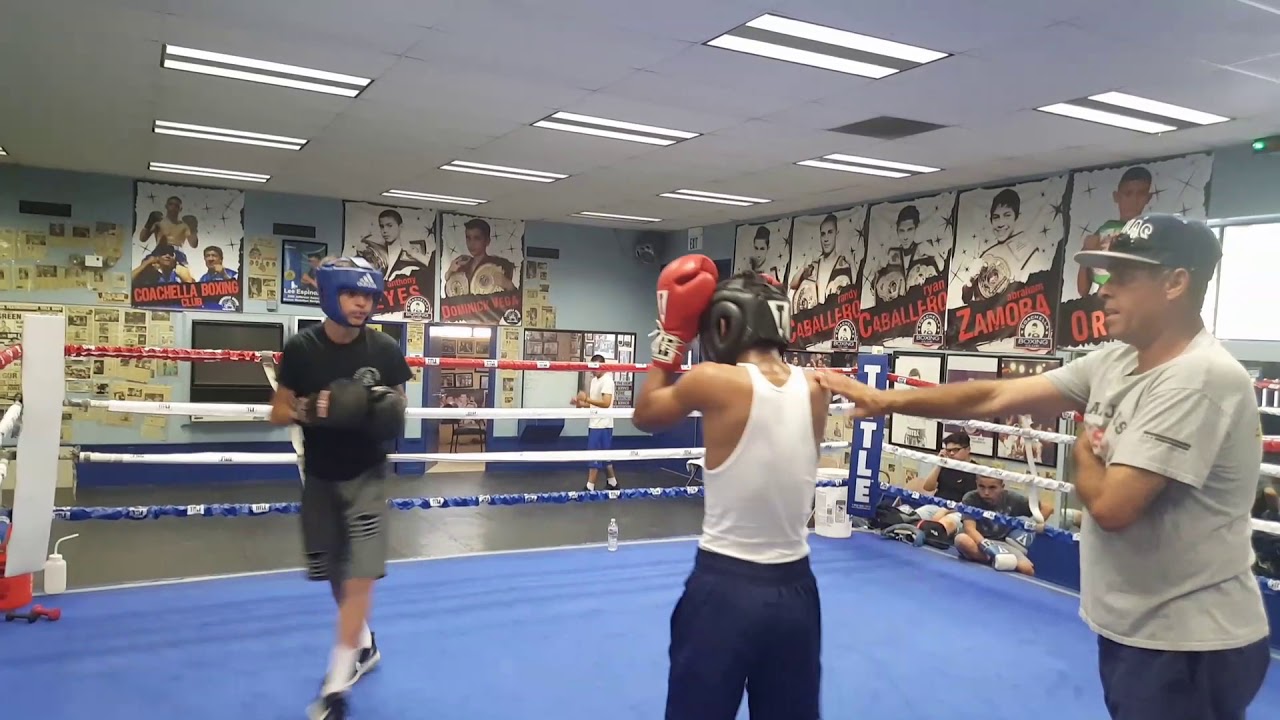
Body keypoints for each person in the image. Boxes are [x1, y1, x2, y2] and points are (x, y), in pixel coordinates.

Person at [819, 213, 1270, 720]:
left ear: (1176, 282)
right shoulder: (1116, 362)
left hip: (1190, 640)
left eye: (1124, 276)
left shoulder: (1198, 378)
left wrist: (1083, 453)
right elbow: (993, 395)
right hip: (1142, 631)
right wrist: (886, 401)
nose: (1103, 289)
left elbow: (1114, 507)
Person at [633, 256, 829, 720]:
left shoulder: (714, 380)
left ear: (724, 325)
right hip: (797, 592)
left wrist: (672, 336)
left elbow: (645, 415)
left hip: (724, 589)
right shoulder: (817, 387)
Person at [269, 257, 413, 720]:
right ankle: (365, 645)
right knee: (335, 574)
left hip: (367, 476)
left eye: (368, 296)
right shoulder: (302, 348)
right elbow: (278, 411)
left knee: (359, 575)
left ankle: (335, 685)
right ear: (330, 295)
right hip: (320, 477)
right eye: (352, 294)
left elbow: (400, 402)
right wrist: (315, 409)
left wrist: (381, 409)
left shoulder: (384, 348)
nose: (361, 304)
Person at [953, 475, 1052, 576]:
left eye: (992, 488)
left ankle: (1000, 561)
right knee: (962, 540)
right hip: (978, 541)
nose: (986, 492)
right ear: (976, 484)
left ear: (1002, 487)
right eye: (981, 486)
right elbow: (970, 529)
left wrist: (1030, 528)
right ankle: (994, 559)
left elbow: (1047, 508)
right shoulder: (971, 498)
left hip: (1003, 543)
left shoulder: (1012, 499)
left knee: (1026, 569)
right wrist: (991, 549)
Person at [573, 354, 619, 491]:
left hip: (603, 424)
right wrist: (581, 404)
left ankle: (590, 486)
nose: (593, 370)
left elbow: (606, 403)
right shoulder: (594, 381)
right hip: (595, 423)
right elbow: (595, 403)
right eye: (592, 367)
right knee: (604, 456)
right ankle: (613, 483)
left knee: (594, 455)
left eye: (596, 367)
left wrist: (586, 399)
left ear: (603, 366)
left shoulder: (607, 381)